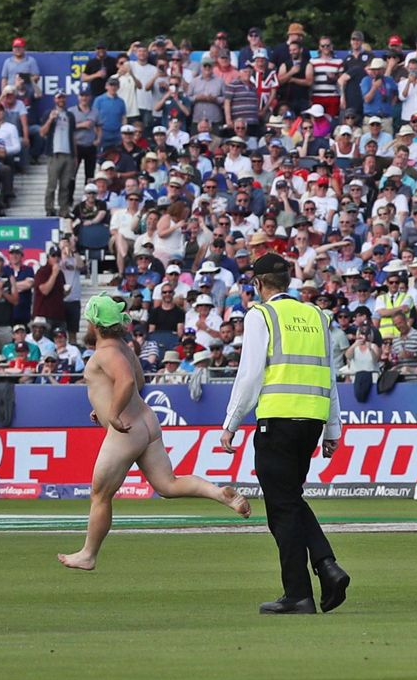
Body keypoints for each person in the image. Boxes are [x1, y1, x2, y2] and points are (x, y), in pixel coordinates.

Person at [58, 294, 250, 572]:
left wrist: (112, 413)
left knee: (100, 495)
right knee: (167, 485)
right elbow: (138, 380)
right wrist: (104, 406)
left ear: (96, 324)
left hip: (126, 430)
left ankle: (88, 554)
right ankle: (219, 493)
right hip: (146, 422)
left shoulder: (106, 352)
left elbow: (127, 381)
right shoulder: (123, 348)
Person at [219, 253, 350, 614]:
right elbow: (329, 376)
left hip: (277, 420)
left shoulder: (261, 315)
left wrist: (231, 422)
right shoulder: (317, 315)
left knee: (282, 508)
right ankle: (326, 565)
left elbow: (249, 375)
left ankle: (299, 593)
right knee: (290, 500)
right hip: (311, 422)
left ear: (258, 283)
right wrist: (333, 428)